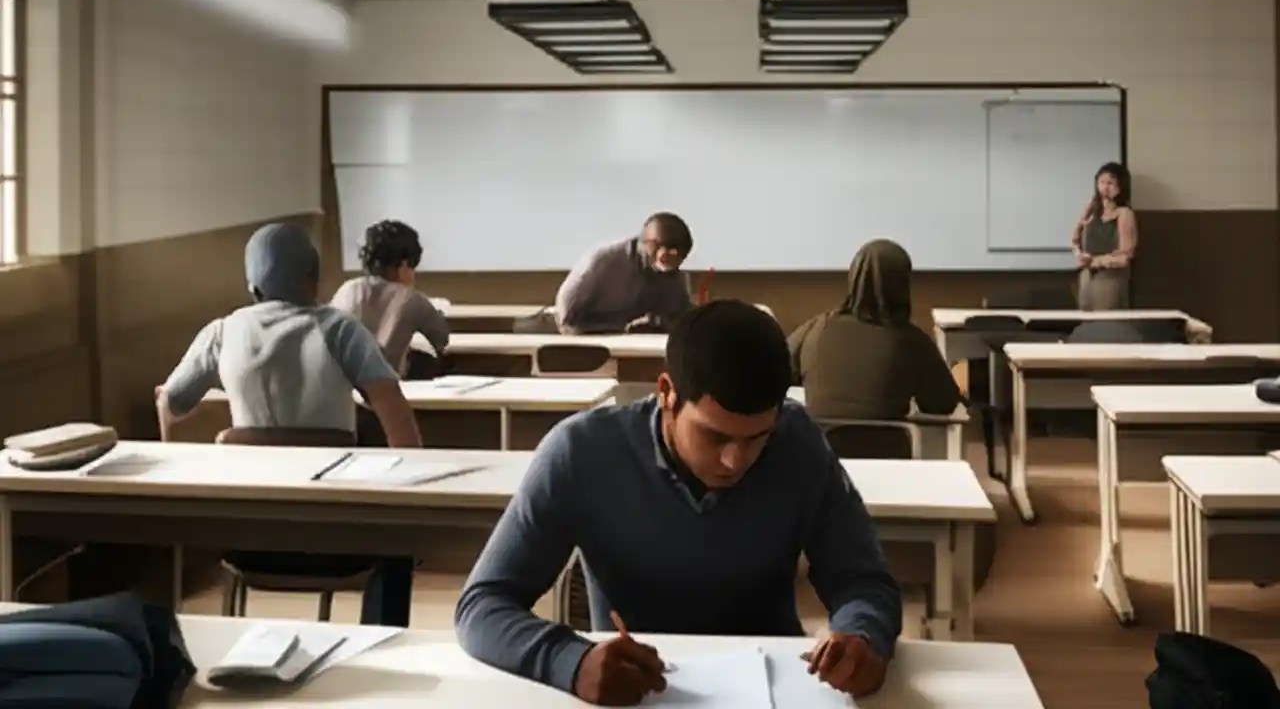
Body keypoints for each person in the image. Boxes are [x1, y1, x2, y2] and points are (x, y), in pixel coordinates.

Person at [455, 300, 902, 706]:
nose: (734, 461)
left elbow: (864, 581)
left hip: (774, 689)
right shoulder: (581, 451)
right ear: (666, 392)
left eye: (756, 439)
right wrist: (569, 661)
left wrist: (863, 634)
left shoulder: (798, 442)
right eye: (714, 435)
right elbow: (482, 604)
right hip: (634, 690)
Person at [155, 221, 422, 627]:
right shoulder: (340, 330)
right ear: (313, 280)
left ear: (252, 286)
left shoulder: (222, 333)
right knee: (399, 538)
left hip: (246, 538)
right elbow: (395, 414)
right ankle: (382, 641)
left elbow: (170, 403)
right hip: (340, 539)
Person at [788, 239, 961, 421]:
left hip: (820, 448)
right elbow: (942, 404)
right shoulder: (913, 341)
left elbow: (772, 372)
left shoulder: (817, 328)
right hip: (887, 448)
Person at [330, 219, 450, 377]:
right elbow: (442, 340)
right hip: (383, 392)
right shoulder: (411, 299)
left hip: (338, 387)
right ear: (404, 265)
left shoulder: (347, 289)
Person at [554, 212, 694, 335]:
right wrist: (621, 327)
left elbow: (684, 318)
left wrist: (660, 323)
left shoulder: (674, 276)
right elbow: (566, 319)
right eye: (669, 258)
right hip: (580, 340)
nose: (673, 267)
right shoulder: (603, 261)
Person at [1071, 162, 1137, 310]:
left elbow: (1125, 256)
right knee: (1085, 315)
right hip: (1087, 273)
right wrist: (1079, 254)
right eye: (1101, 182)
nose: (1105, 188)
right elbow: (1075, 238)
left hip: (1111, 275)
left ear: (1120, 186)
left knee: (1106, 318)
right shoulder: (1091, 208)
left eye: (1110, 183)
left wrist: (1098, 261)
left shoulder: (1124, 213)